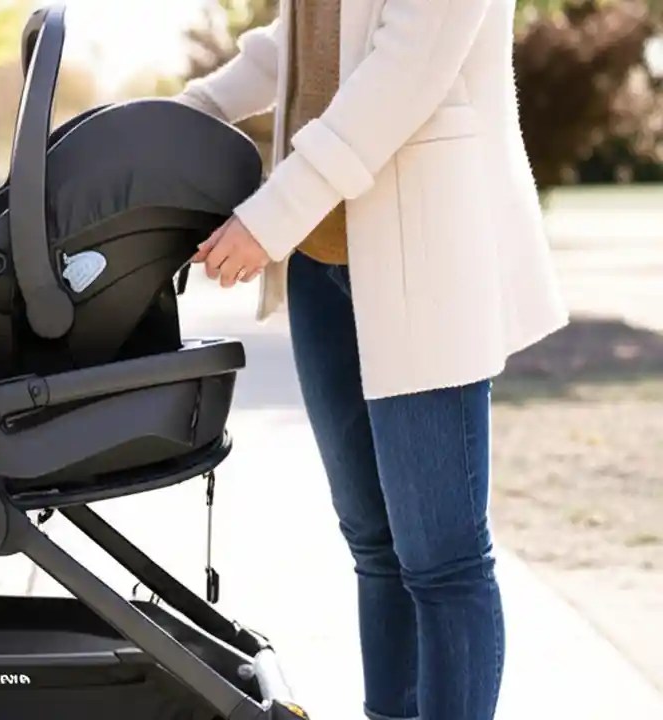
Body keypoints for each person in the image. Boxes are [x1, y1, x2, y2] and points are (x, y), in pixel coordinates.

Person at [174, 1, 568, 719]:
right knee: (376, 546)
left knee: (442, 559)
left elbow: (399, 75)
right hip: (323, 266)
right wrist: (178, 116)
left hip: (424, 264)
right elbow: (289, 43)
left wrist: (268, 217)